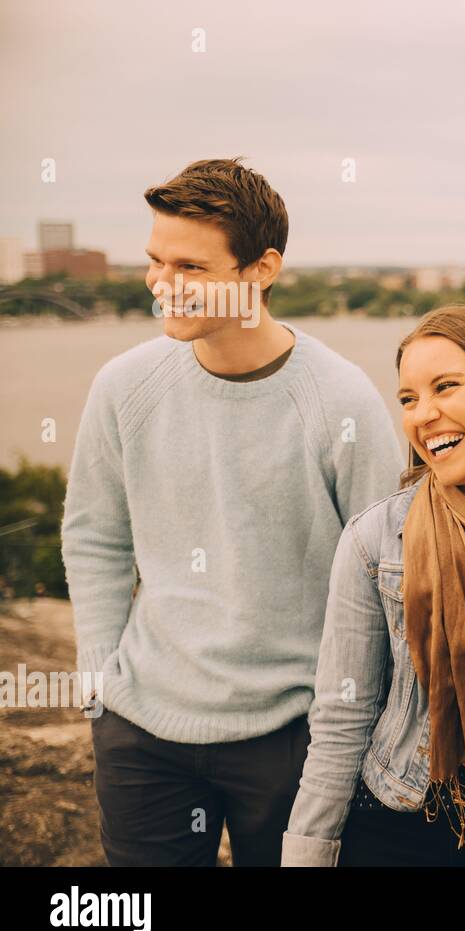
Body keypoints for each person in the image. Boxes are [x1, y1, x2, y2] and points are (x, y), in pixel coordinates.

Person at [62, 157, 403, 866]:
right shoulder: (124, 385)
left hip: (292, 736)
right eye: (155, 261)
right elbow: (95, 534)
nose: (162, 284)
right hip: (142, 731)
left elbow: (385, 574)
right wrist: (99, 674)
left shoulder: (341, 400)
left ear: (262, 269)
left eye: (190, 267)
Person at [282, 306, 465, 866]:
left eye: (446, 387)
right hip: (405, 824)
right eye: (409, 398)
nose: (423, 414)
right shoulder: (376, 539)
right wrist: (306, 855)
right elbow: (343, 717)